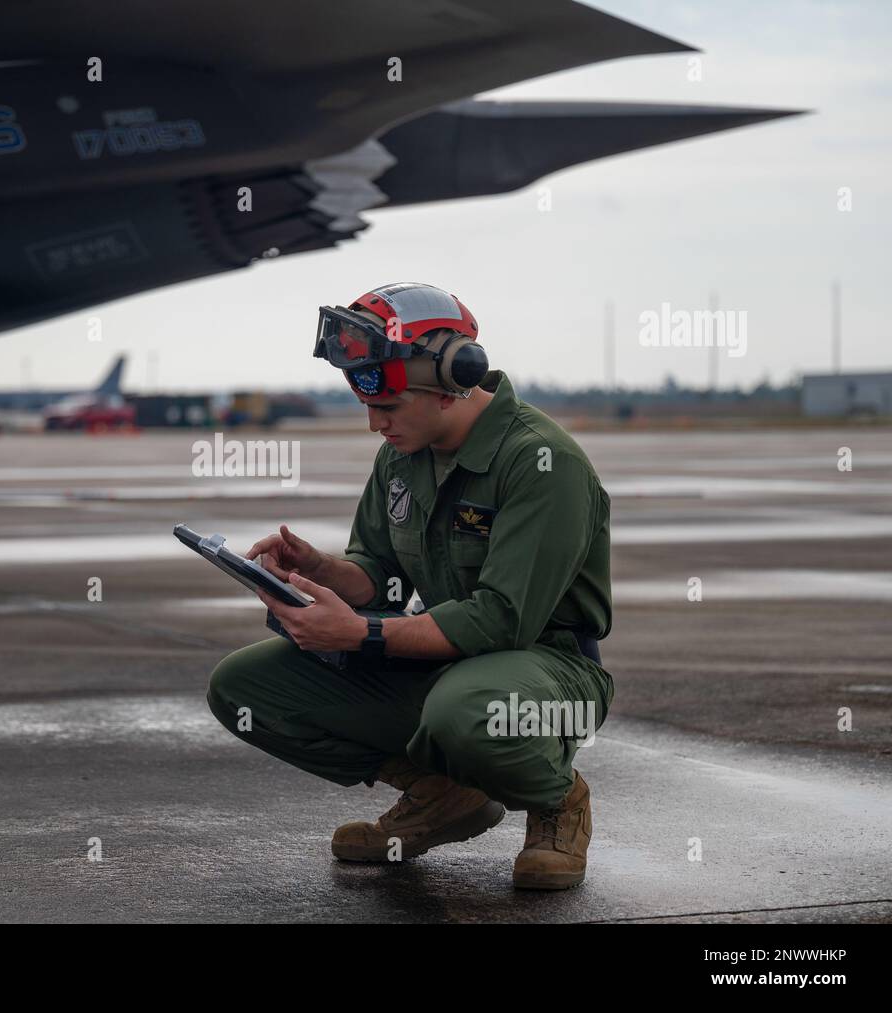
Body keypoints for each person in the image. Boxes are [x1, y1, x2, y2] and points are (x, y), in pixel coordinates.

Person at [205, 282, 613, 889]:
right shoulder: (404, 452)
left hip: (547, 667)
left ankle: (557, 799)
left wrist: (359, 635)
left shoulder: (541, 463)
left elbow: (501, 620)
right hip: (445, 659)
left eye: (389, 407)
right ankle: (442, 794)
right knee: (243, 687)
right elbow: (380, 578)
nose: (375, 424)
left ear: (452, 381)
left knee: (467, 712)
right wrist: (314, 570)